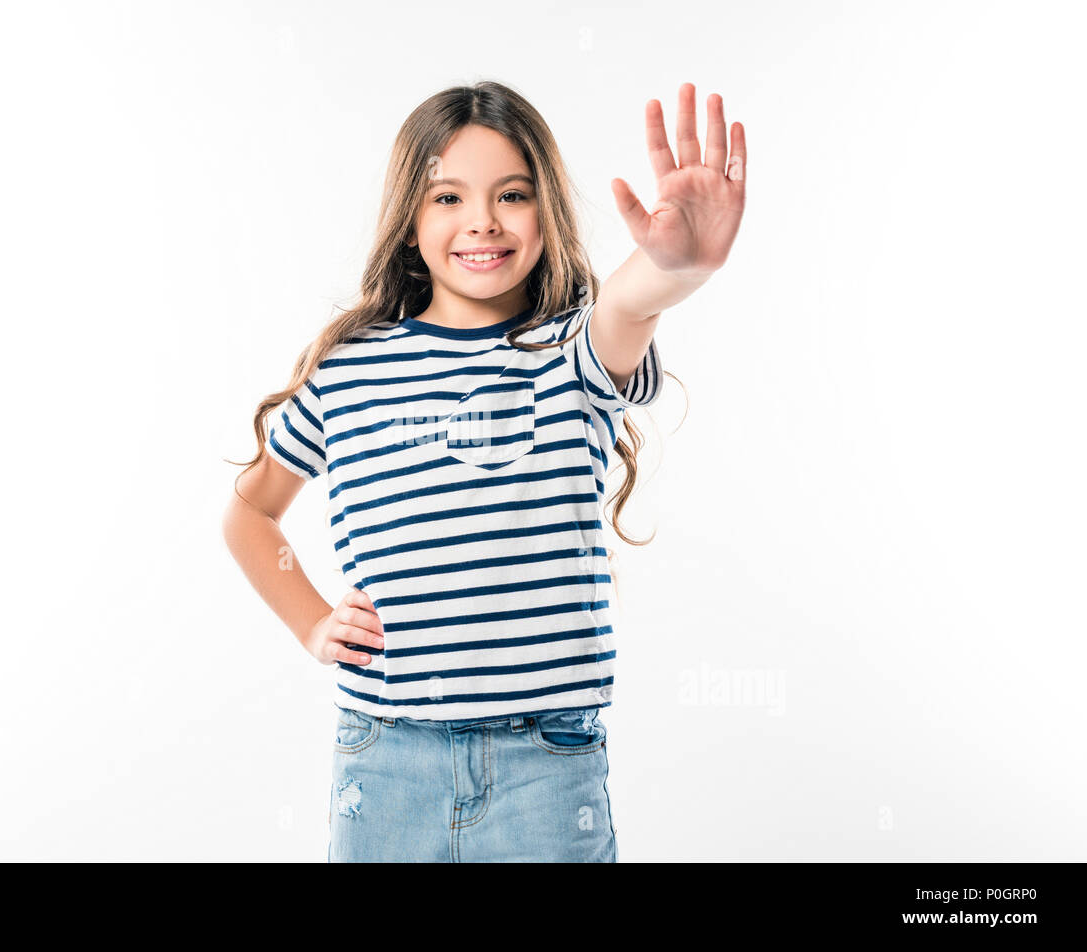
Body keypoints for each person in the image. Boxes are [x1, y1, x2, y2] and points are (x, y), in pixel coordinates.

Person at [222, 80, 746, 861]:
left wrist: (679, 265)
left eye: (511, 194)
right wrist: (312, 623)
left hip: (547, 768)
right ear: (409, 220)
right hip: (387, 761)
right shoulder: (347, 371)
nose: (482, 222)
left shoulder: (573, 352)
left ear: (546, 213)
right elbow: (249, 513)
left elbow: (633, 303)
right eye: (447, 198)